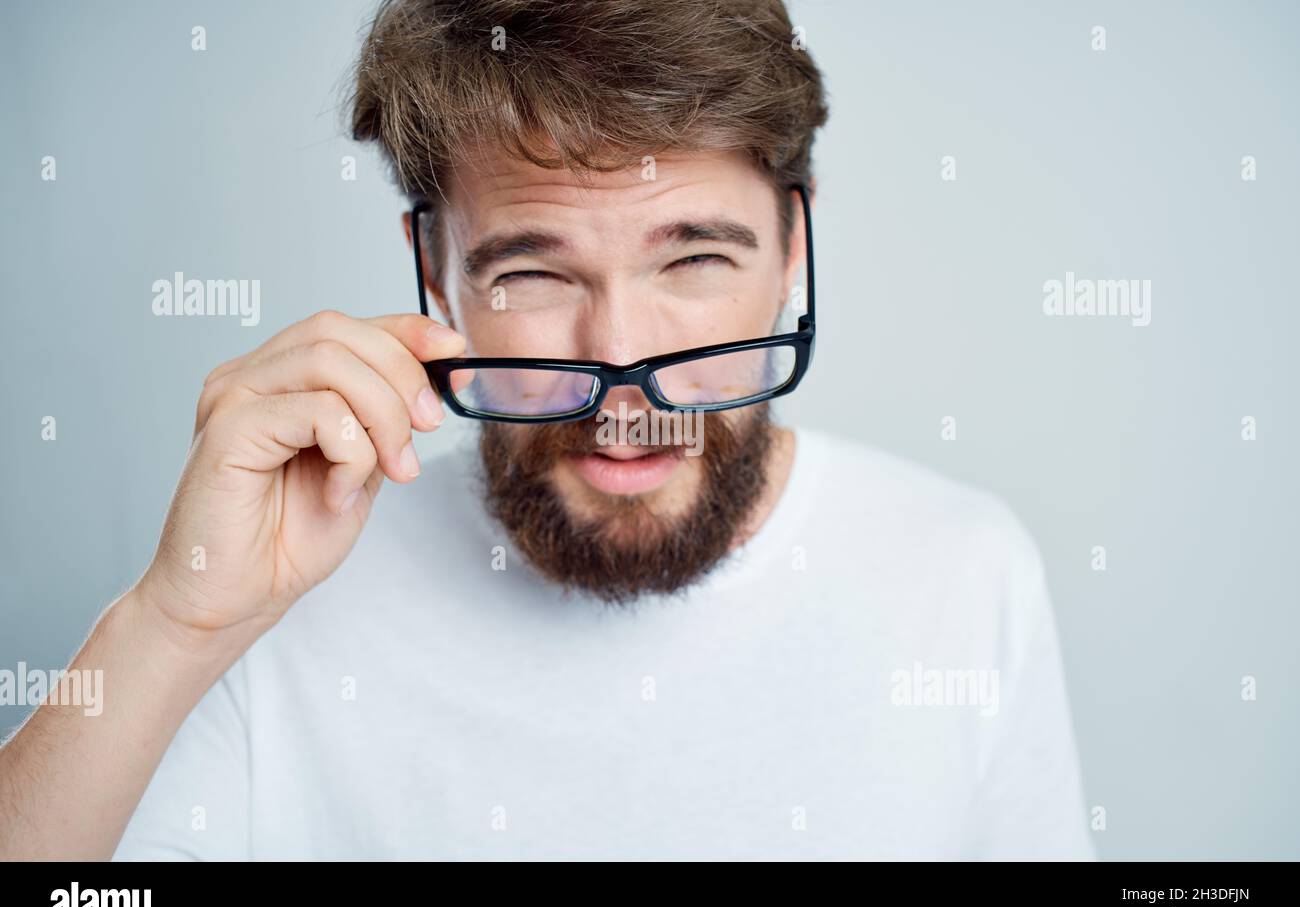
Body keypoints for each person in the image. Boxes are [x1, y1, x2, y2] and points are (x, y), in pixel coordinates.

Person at [0, 0, 1092, 860]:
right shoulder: (279, 599)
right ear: (437, 272)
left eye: (694, 259)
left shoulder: (962, 571)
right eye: (534, 270)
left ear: (792, 248)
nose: (623, 371)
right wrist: (173, 625)